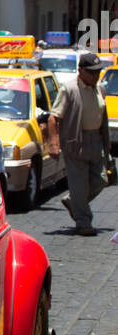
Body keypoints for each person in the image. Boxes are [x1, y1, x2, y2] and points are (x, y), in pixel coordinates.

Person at [48, 51, 111, 236]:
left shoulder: (99, 88)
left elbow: (102, 115)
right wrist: (54, 143)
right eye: (91, 72)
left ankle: (73, 201)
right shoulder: (69, 89)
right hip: (76, 141)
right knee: (80, 184)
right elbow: (53, 118)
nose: (95, 75)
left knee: (101, 180)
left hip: (96, 140)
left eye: (98, 71)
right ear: (80, 71)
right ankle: (83, 222)